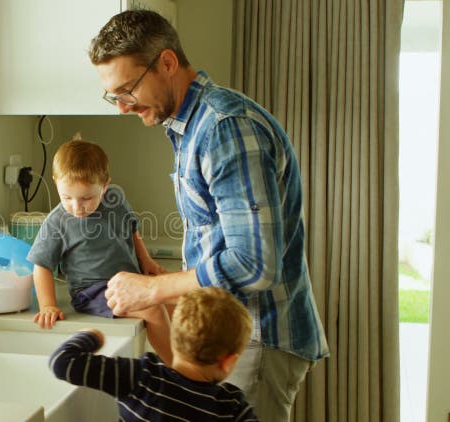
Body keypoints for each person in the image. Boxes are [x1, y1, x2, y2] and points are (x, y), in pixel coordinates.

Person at [89, 9, 329, 421]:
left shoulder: (224, 128)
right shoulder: (192, 126)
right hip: (239, 335)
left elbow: (254, 265)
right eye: (114, 96)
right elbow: (221, 241)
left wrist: (153, 292)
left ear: (166, 63)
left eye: (128, 90)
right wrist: (170, 283)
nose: (123, 108)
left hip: (255, 336)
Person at [27, 139, 173, 364]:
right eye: (67, 197)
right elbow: (41, 266)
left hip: (131, 281)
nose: (77, 207)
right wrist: (48, 305)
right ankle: (179, 374)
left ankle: (189, 363)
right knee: (153, 310)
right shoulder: (56, 222)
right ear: (56, 183)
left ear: (105, 186)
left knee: (176, 301)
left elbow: (131, 231)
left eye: (87, 198)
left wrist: (147, 263)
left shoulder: (116, 199)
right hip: (93, 291)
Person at [50, 287, 258, 421]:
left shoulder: (141, 377)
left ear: (174, 336)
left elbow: (62, 362)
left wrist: (91, 337)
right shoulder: (231, 407)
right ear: (229, 361)